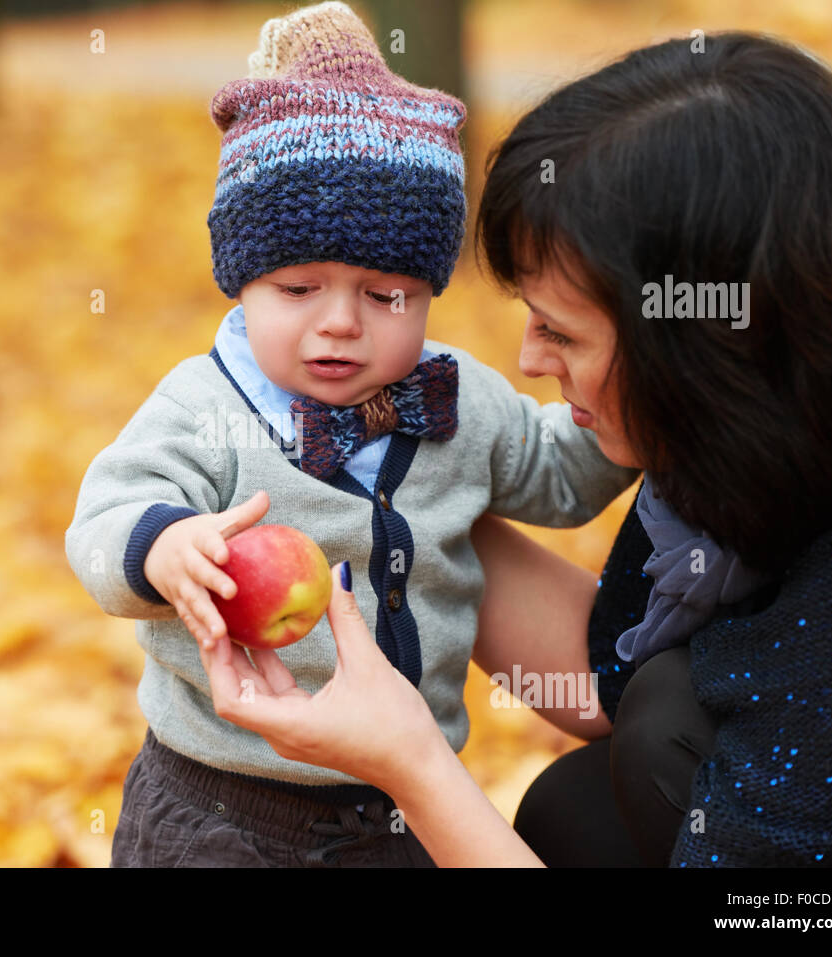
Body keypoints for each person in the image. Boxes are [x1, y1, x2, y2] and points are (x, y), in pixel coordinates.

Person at [200, 30, 832, 866]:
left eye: (562, 334)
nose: (529, 361)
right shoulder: (769, 435)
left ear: (706, 351)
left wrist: (412, 765)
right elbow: (614, 673)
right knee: (591, 796)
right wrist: (380, 502)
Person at [64, 1, 638, 867]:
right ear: (241, 283)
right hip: (227, 805)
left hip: (408, 808)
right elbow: (105, 516)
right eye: (298, 289)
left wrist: (656, 401)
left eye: (385, 296)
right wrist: (166, 546)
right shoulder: (203, 409)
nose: (340, 325)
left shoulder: (459, 399)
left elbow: (561, 472)